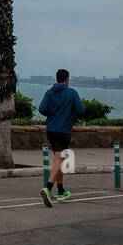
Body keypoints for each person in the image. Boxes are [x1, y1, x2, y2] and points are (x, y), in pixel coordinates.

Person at [38, 69, 85, 205]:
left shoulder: (49, 92)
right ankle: (48, 188)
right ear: (67, 79)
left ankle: (61, 190)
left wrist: (53, 111)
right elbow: (81, 110)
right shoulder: (71, 93)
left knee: (58, 160)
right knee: (60, 159)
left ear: (57, 79)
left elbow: (42, 109)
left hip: (51, 130)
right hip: (63, 131)